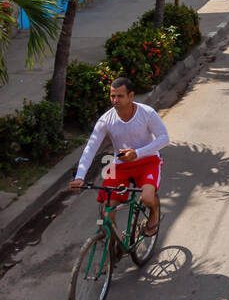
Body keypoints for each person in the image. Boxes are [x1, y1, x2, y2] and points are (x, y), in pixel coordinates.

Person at [69, 78, 169, 237]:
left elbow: (164, 138)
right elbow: (91, 148)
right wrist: (80, 177)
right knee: (106, 212)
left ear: (131, 96)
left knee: (147, 197)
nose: (115, 100)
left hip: (148, 161)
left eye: (120, 96)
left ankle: (155, 213)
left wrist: (137, 153)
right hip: (120, 165)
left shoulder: (147, 113)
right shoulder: (106, 120)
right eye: (112, 96)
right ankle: (115, 243)